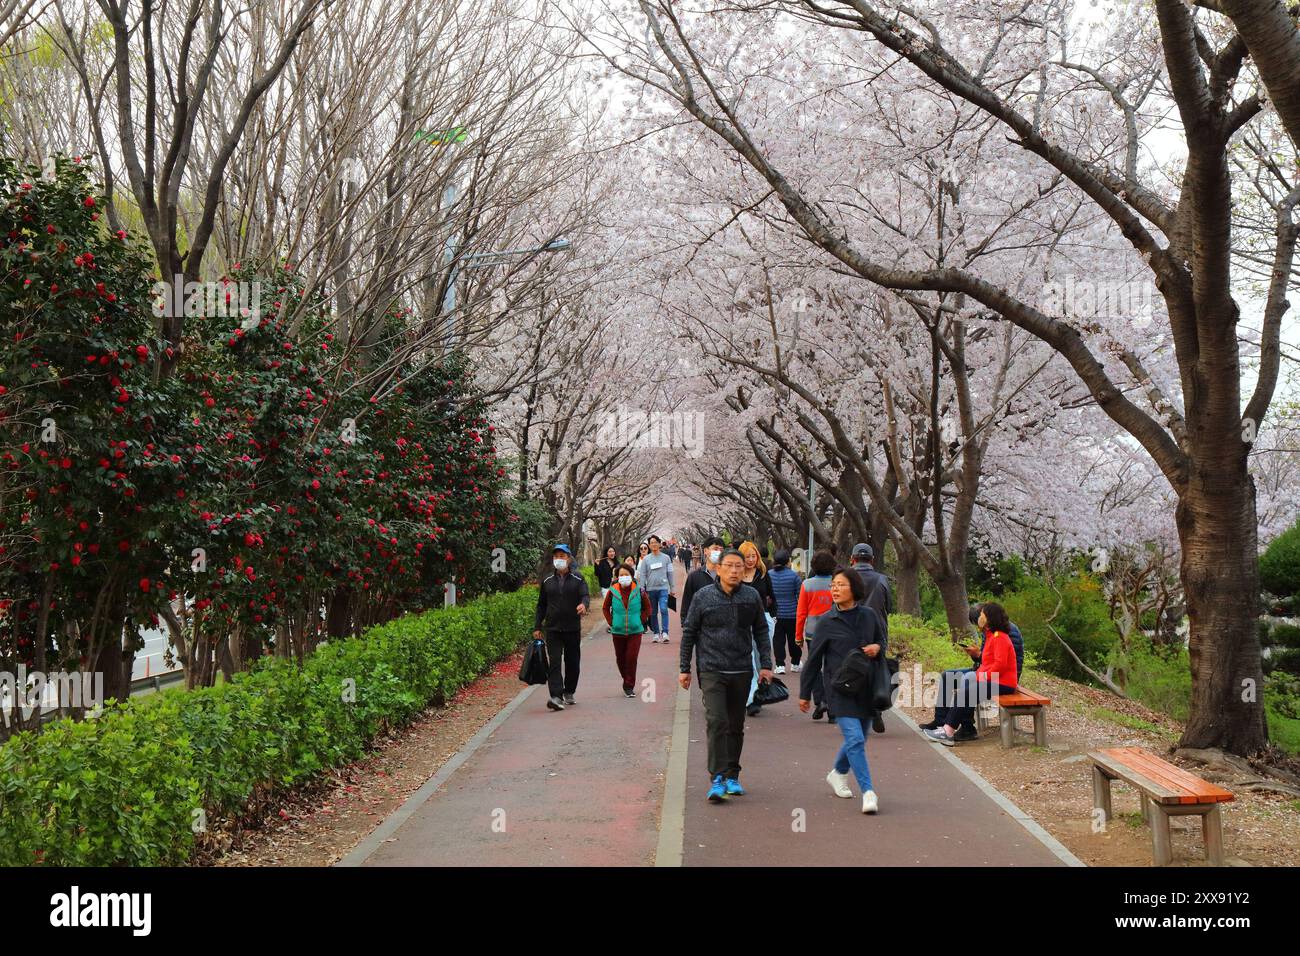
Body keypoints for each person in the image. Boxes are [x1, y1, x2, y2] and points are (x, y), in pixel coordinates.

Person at [680, 547, 774, 802]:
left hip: (742, 668)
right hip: (711, 669)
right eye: (729, 566)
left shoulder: (751, 596)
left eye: (738, 566)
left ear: (744, 570)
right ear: (718, 569)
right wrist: (684, 668)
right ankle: (717, 777)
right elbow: (689, 632)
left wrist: (766, 664)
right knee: (716, 721)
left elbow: (761, 631)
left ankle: (733, 774)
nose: (734, 570)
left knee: (735, 724)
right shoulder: (703, 597)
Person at [799, 567, 886, 814]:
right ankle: (868, 791)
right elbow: (814, 659)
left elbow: (882, 641)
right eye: (833, 585)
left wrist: (877, 648)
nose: (835, 589)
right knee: (856, 739)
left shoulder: (869, 615)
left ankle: (837, 773)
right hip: (839, 689)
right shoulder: (826, 621)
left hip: (867, 687)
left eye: (841, 585)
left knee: (860, 738)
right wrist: (805, 693)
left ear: (854, 589)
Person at [921, 603, 1026, 738]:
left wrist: (981, 673)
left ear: (988, 619)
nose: (978, 624)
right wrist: (977, 656)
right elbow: (989, 660)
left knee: (967, 686)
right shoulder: (990, 633)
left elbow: (1001, 664)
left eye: (981, 617)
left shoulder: (1001, 635)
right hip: (991, 674)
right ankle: (942, 723)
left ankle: (963, 728)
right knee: (949, 677)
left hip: (1002, 679)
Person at [534, 544, 590, 711]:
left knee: (572, 662)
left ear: (569, 558)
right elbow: (541, 605)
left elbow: (585, 595)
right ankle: (556, 696)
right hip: (553, 628)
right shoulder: (547, 580)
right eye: (556, 556)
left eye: (562, 556)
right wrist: (537, 626)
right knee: (555, 663)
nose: (559, 559)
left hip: (572, 627)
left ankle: (569, 691)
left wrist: (583, 605)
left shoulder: (578, 579)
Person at [849, 543, 892, 733]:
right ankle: (876, 710)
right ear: (872, 560)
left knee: (852, 669)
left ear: (853, 559)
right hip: (877, 631)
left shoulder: (845, 579)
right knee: (875, 670)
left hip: (851, 628)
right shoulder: (882, 579)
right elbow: (889, 606)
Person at [796, 550, 837, 721]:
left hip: (813, 633)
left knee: (814, 667)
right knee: (832, 668)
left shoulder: (807, 584)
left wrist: (798, 635)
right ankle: (832, 706)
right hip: (835, 631)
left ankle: (820, 701)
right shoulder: (836, 584)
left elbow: (801, 613)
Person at [738, 540, 775, 717]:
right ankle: (750, 698)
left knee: (762, 658)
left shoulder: (762, 573)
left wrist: (774, 616)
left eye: (754, 556)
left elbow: (771, 596)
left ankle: (760, 689)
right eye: (747, 557)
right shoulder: (735, 575)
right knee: (748, 659)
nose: (751, 560)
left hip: (764, 621)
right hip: (743, 623)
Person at [604, 562, 651, 698]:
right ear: (617, 577)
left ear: (632, 575)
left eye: (626, 575)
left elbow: (648, 608)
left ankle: (629, 685)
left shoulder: (639, 591)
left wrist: (639, 620)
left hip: (635, 631)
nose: (624, 577)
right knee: (620, 658)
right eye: (621, 575)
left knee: (631, 657)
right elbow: (605, 608)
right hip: (618, 631)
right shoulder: (612, 591)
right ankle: (626, 678)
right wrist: (612, 622)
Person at [768, 549, 803, 675]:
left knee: (778, 640)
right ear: (788, 561)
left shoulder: (769, 574)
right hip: (792, 613)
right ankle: (795, 663)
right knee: (794, 639)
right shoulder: (794, 576)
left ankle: (780, 665)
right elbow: (800, 595)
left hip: (776, 614)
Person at [636, 534, 675, 644]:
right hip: (650, 590)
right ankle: (656, 633)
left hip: (663, 588)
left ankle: (665, 632)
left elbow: (670, 573)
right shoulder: (646, 560)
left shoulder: (666, 558)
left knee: (663, 609)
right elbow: (643, 574)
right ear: (649, 545)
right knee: (652, 612)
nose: (653, 544)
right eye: (651, 542)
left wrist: (672, 588)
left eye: (655, 542)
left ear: (659, 543)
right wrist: (642, 588)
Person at [681, 536, 723, 622]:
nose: (718, 552)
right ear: (705, 551)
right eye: (715, 549)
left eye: (721, 550)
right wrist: (685, 623)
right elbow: (687, 602)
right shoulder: (694, 576)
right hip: (701, 627)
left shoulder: (728, 575)